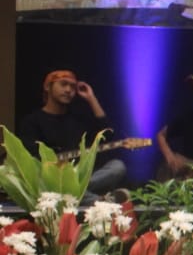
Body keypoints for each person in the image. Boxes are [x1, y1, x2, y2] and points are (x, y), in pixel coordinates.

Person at [17, 69, 127, 198]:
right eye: (63, 84)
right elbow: (31, 159)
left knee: (117, 167)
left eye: (73, 87)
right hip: (50, 181)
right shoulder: (32, 121)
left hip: (78, 176)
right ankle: (102, 201)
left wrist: (91, 98)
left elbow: (107, 134)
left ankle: (73, 193)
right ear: (48, 87)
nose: (69, 90)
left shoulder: (77, 119)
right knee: (49, 186)